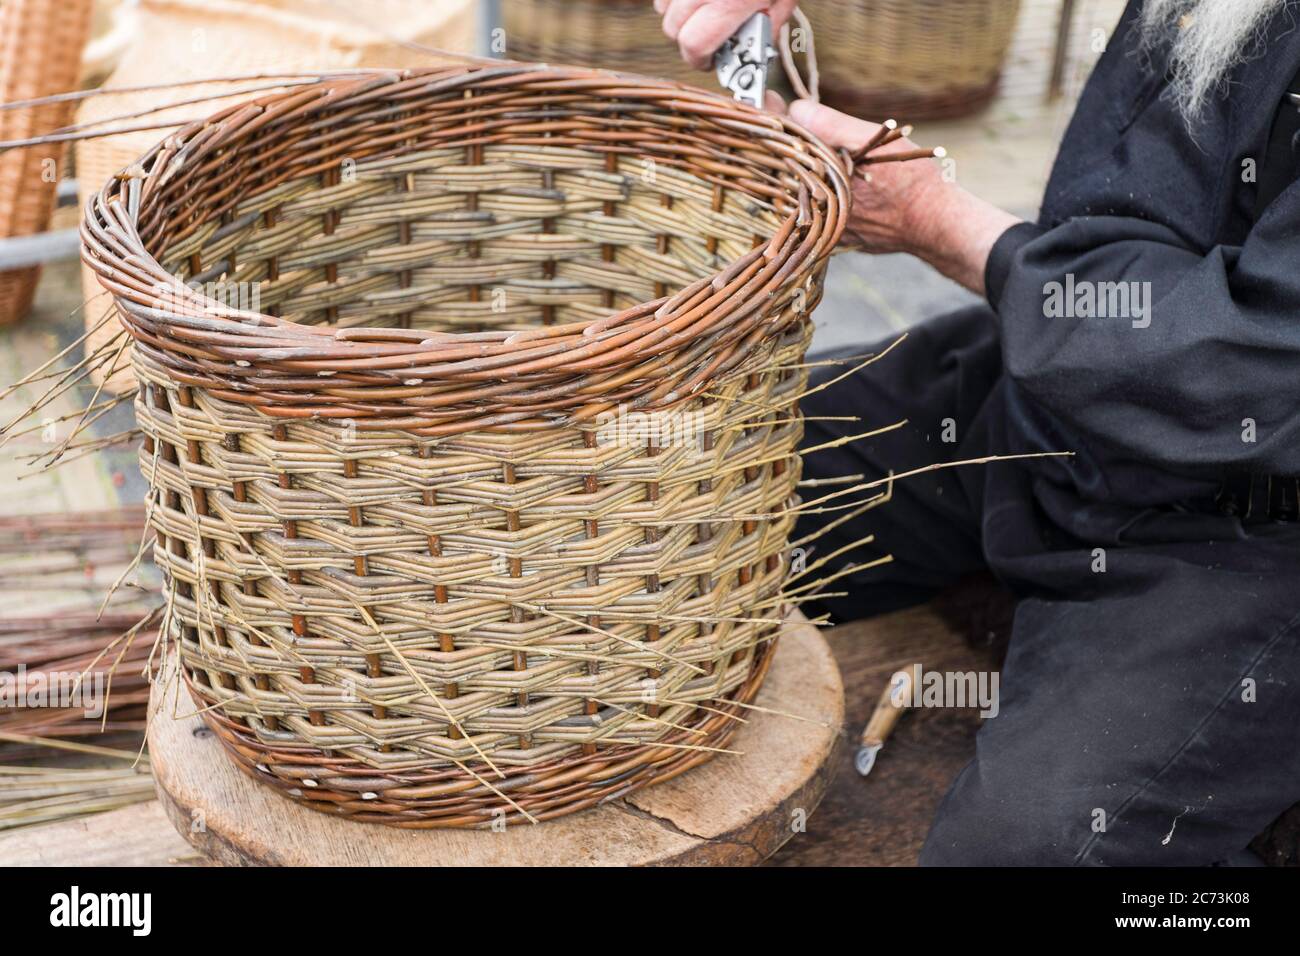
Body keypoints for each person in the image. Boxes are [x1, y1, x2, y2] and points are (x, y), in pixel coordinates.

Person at [655, 0, 1300, 865]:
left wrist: (940, 223)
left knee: (1024, 850)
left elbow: (1254, 365)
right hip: (1047, 390)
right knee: (677, 481)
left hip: (1247, 522)